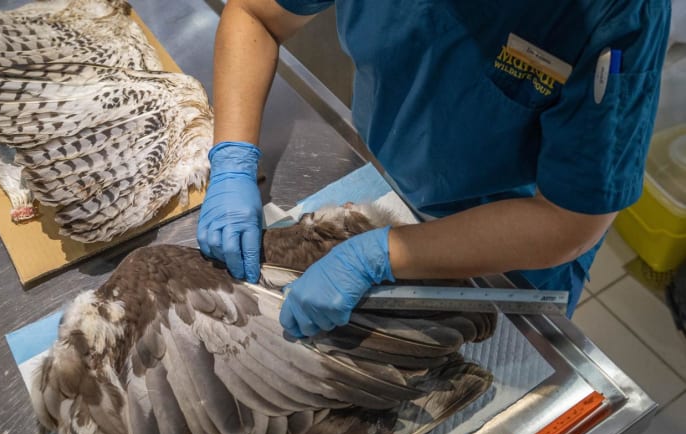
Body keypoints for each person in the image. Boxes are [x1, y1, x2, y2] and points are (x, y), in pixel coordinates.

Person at [196, 0, 671, 337]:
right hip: (383, 169)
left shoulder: (614, 12)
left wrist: (378, 256)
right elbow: (259, 15)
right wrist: (234, 159)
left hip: (509, 245)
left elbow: (570, 221)